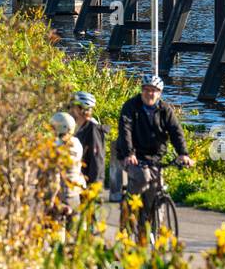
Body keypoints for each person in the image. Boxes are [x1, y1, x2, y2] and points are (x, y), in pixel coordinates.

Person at [115, 74, 194, 206]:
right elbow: (125, 130)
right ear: (141, 91)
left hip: (155, 155)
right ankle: (129, 208)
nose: (149, 93)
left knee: (156, 187)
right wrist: (129, 153)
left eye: (154, 90)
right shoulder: (131, 106)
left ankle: (152, 220)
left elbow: (176, 131)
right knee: (143, 178)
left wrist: (183, 154)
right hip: (134, 154)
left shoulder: (165, 110)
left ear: (159, 93)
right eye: (146, 90)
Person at [51, 112, 84, 218]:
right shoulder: (77, 143)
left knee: (54, 230)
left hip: (61, 195)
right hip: (74, 194)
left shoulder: (57, 147)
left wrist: (51, 199)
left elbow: (55, 175)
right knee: (74, 232)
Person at [71, 91, 106, 191]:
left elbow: (97, 159)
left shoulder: (93, 129)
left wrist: (93, 186)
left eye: (73, 107)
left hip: (89, 184)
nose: (71, 110)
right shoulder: (80, 127)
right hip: (80, 181)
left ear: (79, 109)